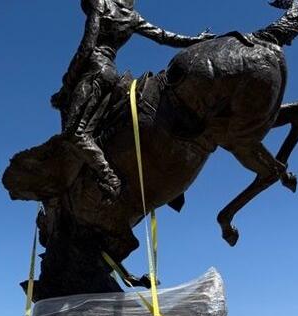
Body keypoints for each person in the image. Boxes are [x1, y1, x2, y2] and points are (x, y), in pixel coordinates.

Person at [52, 0, 214, 200]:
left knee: (75, 134)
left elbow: (87, 46)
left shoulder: (100, 4)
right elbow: (163, 36)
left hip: (93, 69)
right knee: (96, 129)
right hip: (111, 73)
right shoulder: (132, 16)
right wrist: (196, 40)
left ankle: (109, 177)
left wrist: (67, 82)